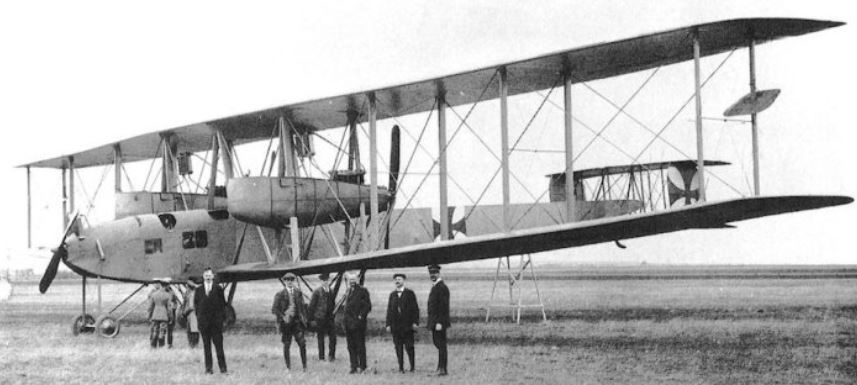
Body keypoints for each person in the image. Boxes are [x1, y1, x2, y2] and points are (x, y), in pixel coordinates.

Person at [271, 272, 308, 371]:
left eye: (291, 280)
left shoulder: (298, 293)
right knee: (287, 345)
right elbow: (274, 309)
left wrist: (304, 318)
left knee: (302, 343)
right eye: (287, 280)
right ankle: (288, 367)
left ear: (294, 281)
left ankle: (304, 366)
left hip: (297, 322)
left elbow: (302, 307)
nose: (289, 282)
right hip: (286, 323)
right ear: (284, 281)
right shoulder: (280, 294)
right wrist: (283, 316)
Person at [194, 268, 228, 374]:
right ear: (203, 277)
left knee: (219, 347)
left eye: (210, 275)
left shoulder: (218, 289)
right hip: (204, 324)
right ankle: (208, 369)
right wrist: (200, 320)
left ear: (213, 276)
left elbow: (223, 305)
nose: (208, 277)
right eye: (206, 276)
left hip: (216, 324)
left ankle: (223, 369)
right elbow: (196, 306)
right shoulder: (198, 290)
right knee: (206, 347)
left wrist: (221, 320)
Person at [385, 273, 419, 373]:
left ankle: (412, 367)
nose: (397, 281)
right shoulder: (392, 295)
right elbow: (389, 311)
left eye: (399, 279)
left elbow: (415, 309)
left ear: (403, 281)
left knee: (409, 346)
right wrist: (388, 324)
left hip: (407, 326)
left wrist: (415, 322)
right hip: (396, 326)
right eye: (395, 279)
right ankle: (401, 367)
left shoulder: (410, 293)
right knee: (398, 347)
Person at [343, 272, 371, 374]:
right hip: (348, 324)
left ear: (357, 280)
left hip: (358, 324)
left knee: (360, 346)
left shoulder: (363, 291)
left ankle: (363, 366)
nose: (352, 282)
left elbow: (368, 306)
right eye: (350, 280)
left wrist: (360, 317)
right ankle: (353, 366)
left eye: (354, 280)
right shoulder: (348, 291)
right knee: (350, 346)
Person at [427, 264, 450, 376]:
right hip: (435, 322)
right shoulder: (436, 286)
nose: (432, 275)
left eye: (434, 272)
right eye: (431, 273)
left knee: (441, 344)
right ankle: (440, 367)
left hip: (439, 322)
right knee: (438, 343)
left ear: (439, 273)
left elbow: (443, 307)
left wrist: (440, 322)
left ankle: (442, 369)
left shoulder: (441, 287)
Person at [308, 272, 336, 361]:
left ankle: (331, 356)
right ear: (321, 281)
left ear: (329, 280)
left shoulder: (331, 291)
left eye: (327, 280)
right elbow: (311, 306)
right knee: (321, 338)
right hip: (320, 318)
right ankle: (321, 357)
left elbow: (332, 304)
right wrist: (311, 319)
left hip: (329, 318)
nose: (325, 282)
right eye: (324, 280)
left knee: (333, 337)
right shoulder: (317, 292)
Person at [147, 279, 174, 348]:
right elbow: (169, 308)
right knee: (162, 332)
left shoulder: (154, 294)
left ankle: (153, 346)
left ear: (160, 285)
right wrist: (171, 317)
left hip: (155, 315)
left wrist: (149, 316)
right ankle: (161, 346)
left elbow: (150, 307)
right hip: (164, 316)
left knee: (155, 331)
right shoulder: (168, 295)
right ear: (166, 285)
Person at [182, 278, 200, 348]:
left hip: (193, 314)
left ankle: (193, 345)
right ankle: (193, 345)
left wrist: (185, 312)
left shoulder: (193, 293)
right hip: (190, 314)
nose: (187, 287)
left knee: (193, 331)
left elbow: (191, 307)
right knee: (191, 330)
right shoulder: (189, 293)